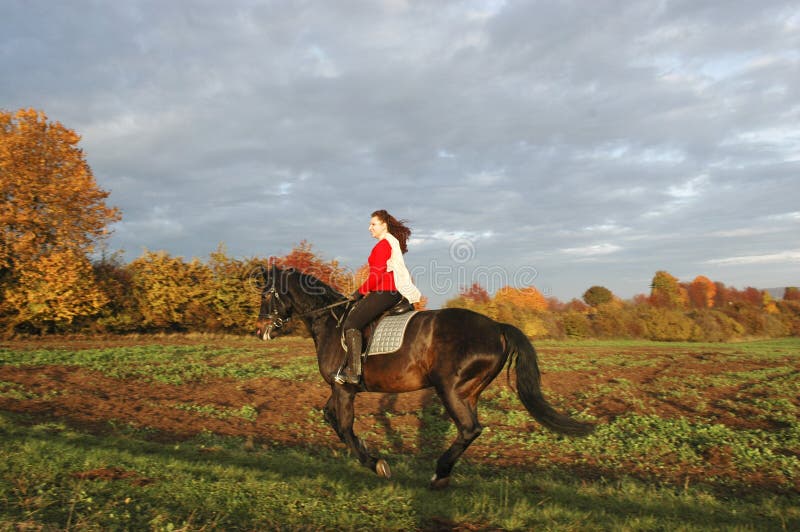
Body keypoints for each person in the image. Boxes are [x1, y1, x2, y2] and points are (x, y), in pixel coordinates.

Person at [334, 209, 422, 385]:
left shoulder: (383, 245)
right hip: (387, 291)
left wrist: (359, 293)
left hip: (386, 291)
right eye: (370, 224)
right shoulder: (390, 243)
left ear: (384, 225)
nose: (369, 228)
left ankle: (353, 372)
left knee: (351, 323)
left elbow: (377, 277)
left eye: (373, 224)